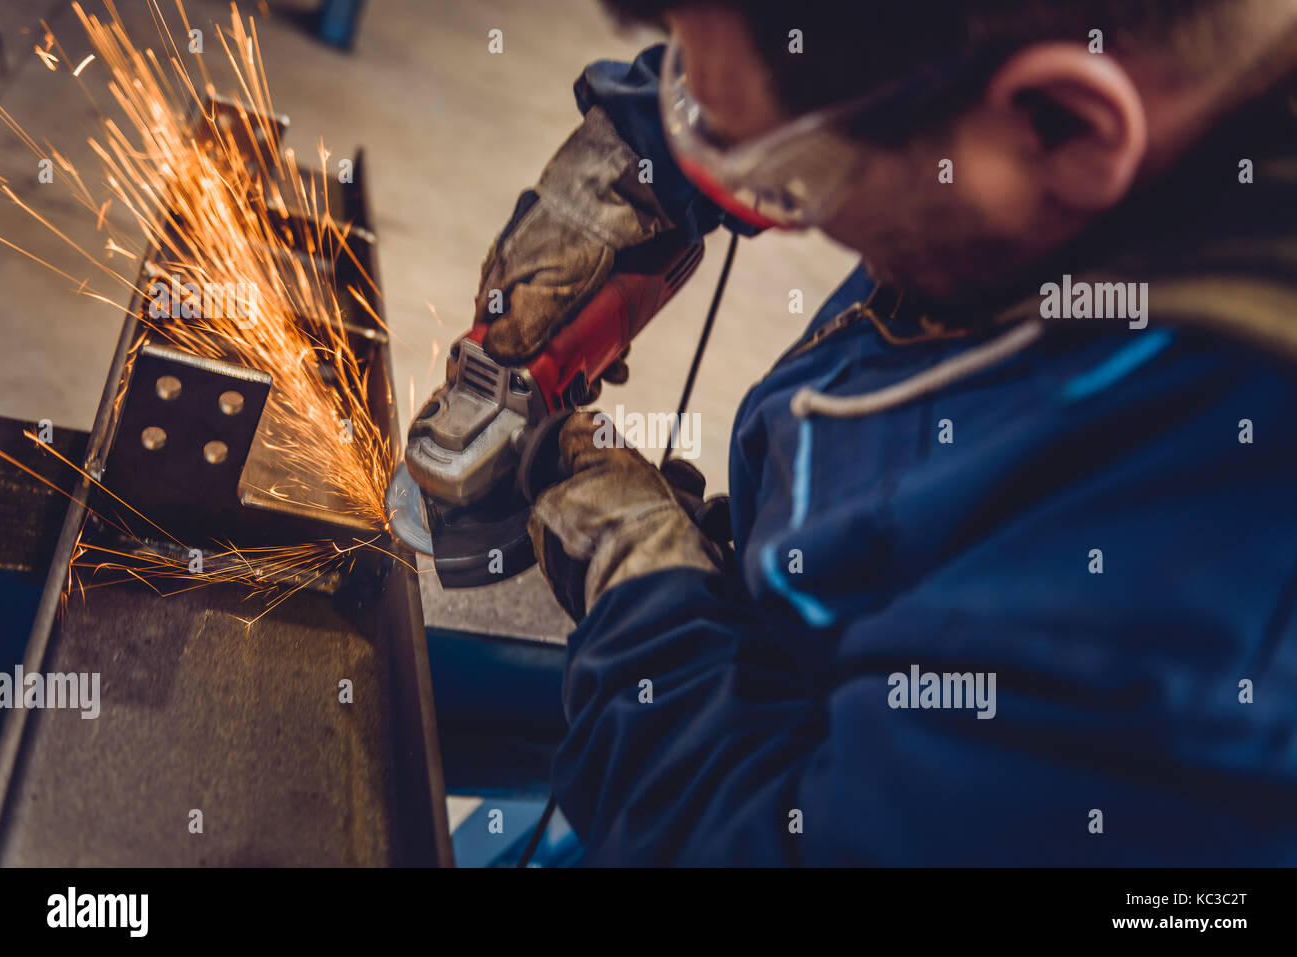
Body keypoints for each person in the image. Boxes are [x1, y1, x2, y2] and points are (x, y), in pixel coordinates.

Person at [470, 0, 1297, 864]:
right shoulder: (1165, 70)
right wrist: (657, 137)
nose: (784, 207)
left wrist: (641, 589)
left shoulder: (1188, 606)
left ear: (1065, 127)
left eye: (794, 181)